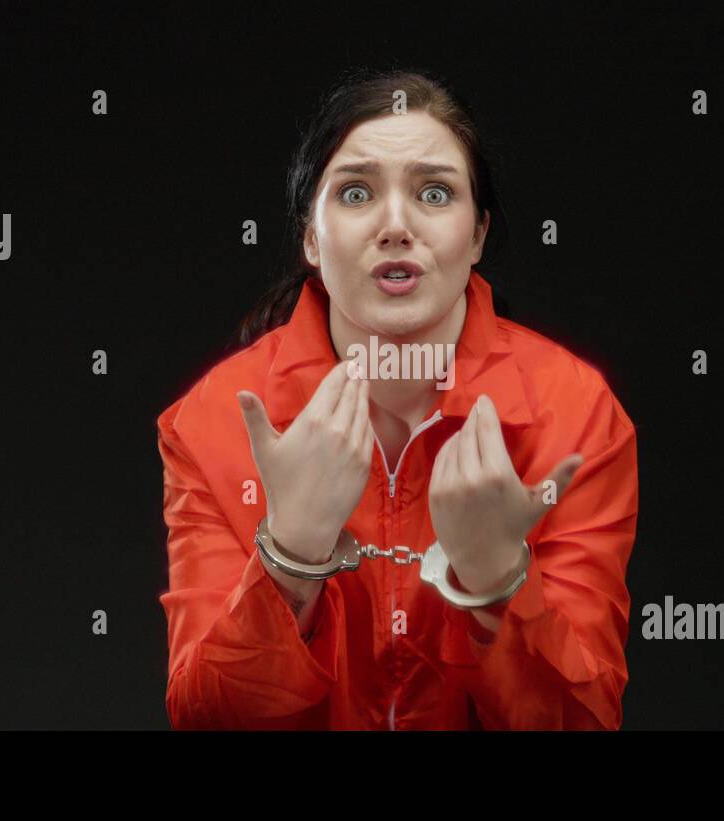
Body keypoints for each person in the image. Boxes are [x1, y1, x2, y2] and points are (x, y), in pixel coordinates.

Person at [156, 67, 638, 729]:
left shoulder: (578, 415)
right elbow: (209, 718)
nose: (395, 224)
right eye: (356, 192)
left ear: (477, 236)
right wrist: (292, 555)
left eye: (434, 192)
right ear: (310, 239)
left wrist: (497, 582)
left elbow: (581, 719)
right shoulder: (211, 421)